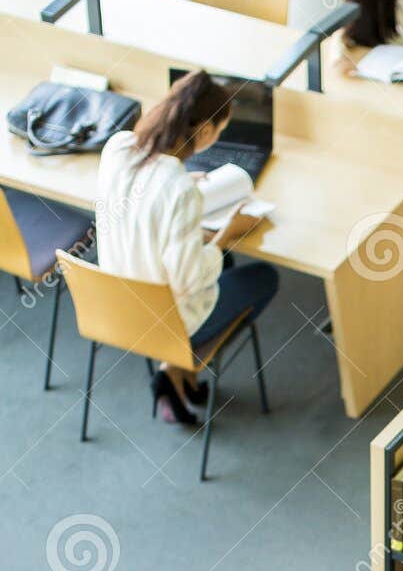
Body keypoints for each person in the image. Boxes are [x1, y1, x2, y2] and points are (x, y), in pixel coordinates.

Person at [95, 70, 279, 425]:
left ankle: (179, 379)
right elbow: (189, 280)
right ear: (206, 131)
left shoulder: (117, 147)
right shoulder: (177, 188)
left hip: (113, 304)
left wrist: (183, 187)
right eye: (220, 131)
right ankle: (176, 367)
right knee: (263, 277)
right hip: (163, 318)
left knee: (221, 263)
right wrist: (226, 232)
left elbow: (137, 201)